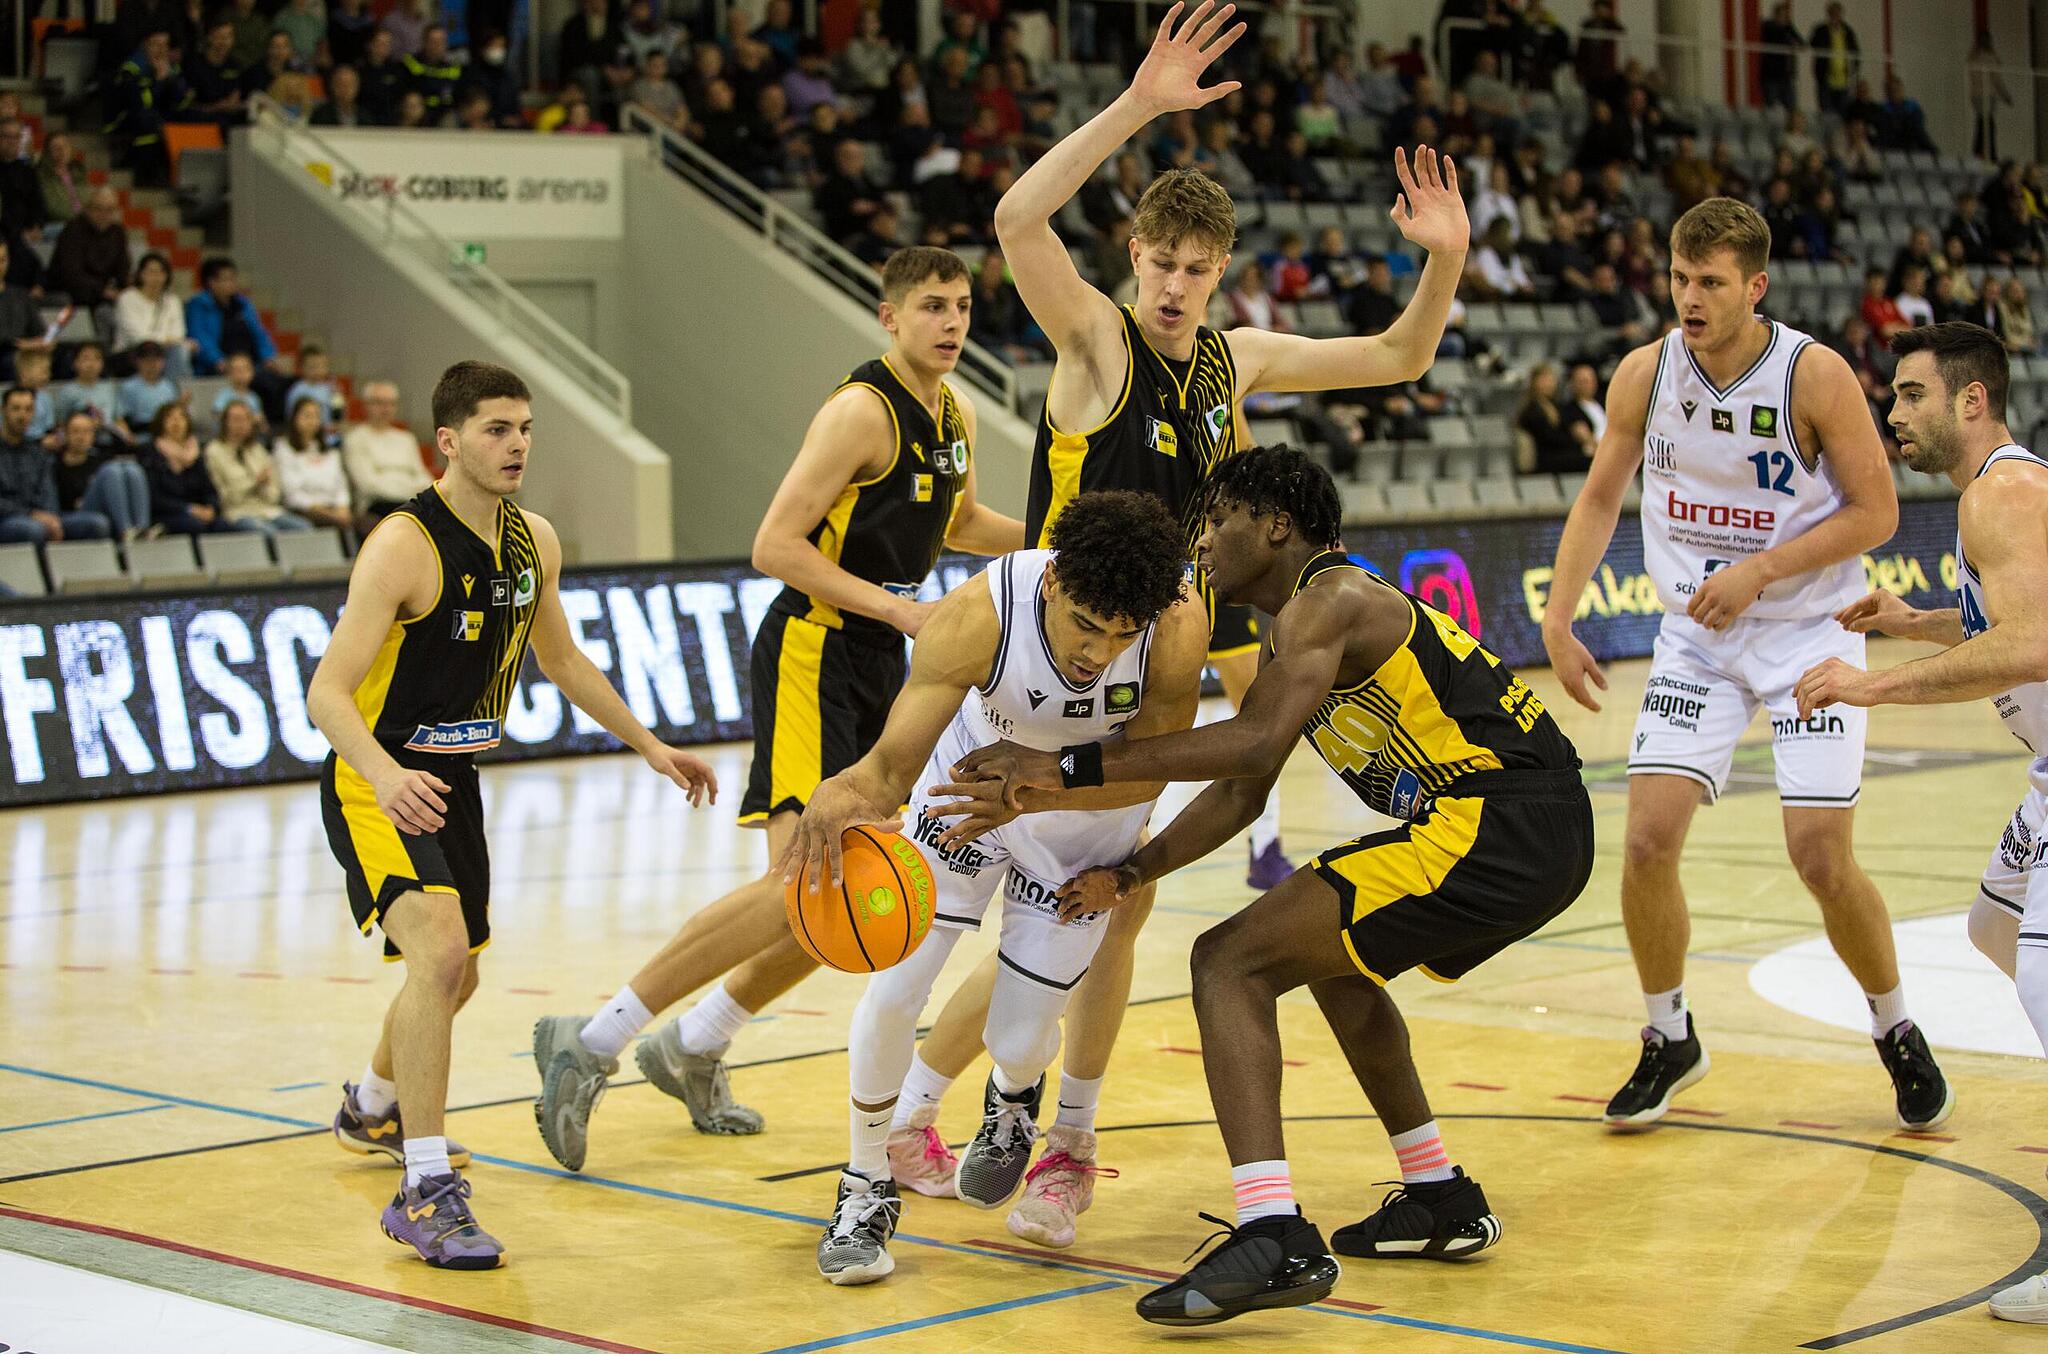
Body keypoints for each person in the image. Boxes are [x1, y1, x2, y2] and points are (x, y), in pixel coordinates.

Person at [840, 0, 1463, 1253]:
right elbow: (1017, 220)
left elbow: (1400, 353)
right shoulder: (1094, 340)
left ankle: (1040, 1133)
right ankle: (965, 1119)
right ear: (1133, 258)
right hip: (1032, 656)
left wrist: (1441, 255)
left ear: (1219, 274)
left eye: (1197, 270)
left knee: (1102, 911)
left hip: (1149, 678)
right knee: (1017, 919)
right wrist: (1137, 104)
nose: (1176, 287)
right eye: (1160, 265)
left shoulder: (1236, 358)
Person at [956, 446, 1592, 1322]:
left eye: (1219, 521)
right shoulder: (1297, 624)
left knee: (1228, 962)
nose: (1203, 540)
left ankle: (1272, 1235)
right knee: (1335, 966)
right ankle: (1439, 1195)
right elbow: (1246, 788)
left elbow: (1251, 747)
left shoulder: (1329, 601)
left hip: (1499, 819)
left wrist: (1061, 766)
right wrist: (1135, 870)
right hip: (1517, 824)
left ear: (1277, 525)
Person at [527, 248, 1023, 1172]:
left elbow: (954, 523)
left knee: (837, 913)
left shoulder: (949, 412)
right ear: (889, 317)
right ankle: (591, 1041)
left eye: (960, 307)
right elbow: (772, 545)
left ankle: (697, 1043)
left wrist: (1056, 531)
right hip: (814, 647)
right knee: (803, 882)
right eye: (931, 308)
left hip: (880, 662)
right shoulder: (859, 411)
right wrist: (897, 606)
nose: (951, 323)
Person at [1540, 197, 1953, 1133]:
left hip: (1810, 631)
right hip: (1698, 641)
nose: (1690, 297)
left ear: (1754, 287)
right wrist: (1561, 617)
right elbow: (1601, 498)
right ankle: (1667, 1035)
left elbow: (1877, 515)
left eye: (1711, 282)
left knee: (1818, 857)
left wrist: (1759, 571)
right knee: (1646, 842)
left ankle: (1895, 1027)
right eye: (1680, 279)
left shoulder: (1816, 375)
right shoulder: (1645, 374)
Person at [307, 361, 720, 1270]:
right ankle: (424, 1193)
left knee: (457, 979)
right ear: (448, 441)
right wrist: (379, 774)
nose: (518, 444)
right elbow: (326, 694)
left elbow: (564, 661)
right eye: (496, 428)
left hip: (456, 783)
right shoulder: (403, 543)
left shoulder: (534, 541)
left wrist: (651, 745)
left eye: (525, 427)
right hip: (378, 777)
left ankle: (370, 1107)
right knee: (441, 954)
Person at [789, 490, 1206, 1284]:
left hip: (1083, 816)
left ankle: (1014, 1098)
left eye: (1121, 635)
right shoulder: (983, 610)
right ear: (1052, 583)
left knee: (1018, 1038)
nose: (1099, 652)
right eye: (1087, 624)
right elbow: (889, 766)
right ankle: (864, 1184)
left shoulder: (1176, 627)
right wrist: (849, 787)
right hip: (966, 790)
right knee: (893, 990)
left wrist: (1039, 782)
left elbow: (1151, 765)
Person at [1790, 322, 2047, 1325]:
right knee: (1992, 929)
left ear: (1969, 401)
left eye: (1907, 396)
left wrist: (1873, 688)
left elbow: (2030, 649)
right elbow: (2000, 619)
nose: (1891, 415)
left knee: (2037, 968)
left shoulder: (2006, 492)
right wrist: (1913, 622)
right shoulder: (1992, 496)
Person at [0, 388, 113, 543]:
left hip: (42, 516)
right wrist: (32, 514)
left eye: (28, 409)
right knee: (33, 529)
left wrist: (50, 517)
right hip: (8, 518)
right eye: (16, 409)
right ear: (3, 410)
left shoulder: (38, 452)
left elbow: (48, 490)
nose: (22, 415)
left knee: (97, 524)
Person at [205, 400, 308, 535]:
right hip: (237, 512)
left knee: (304, 528)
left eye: (246, 419)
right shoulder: (214, 451)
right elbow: (223, 498)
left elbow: (275, 493)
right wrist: (254, 484)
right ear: (225, 422)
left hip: (268, 510)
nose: (241, 424)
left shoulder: (258, 451)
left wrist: (264, 487)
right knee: (269, 533)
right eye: (236, 419)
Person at [343, 380, 433, 523]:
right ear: (366, 405)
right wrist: (410, 490)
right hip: (377, 507)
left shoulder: (406, 439)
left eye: (391, 403)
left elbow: (424, 479)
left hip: (411, 504)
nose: (386, 409)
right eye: (379, 403)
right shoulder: (356, 438)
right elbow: (369, 486)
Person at [49, 188, 131, 344]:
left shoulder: (117, 232)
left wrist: (127, 291)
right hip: (73, 292)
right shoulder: (73, 230)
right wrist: (102, 291)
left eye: (109, 210)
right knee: (103, 311)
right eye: (98, 208)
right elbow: (70, 273)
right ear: (88, 208)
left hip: (104, 294)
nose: (104, 214)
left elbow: (123, 268)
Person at [53, 409, 150, 540]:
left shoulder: (99, 459)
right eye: (76, 431)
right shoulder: (56, 464)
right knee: (111, 470)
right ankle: (126, 531)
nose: (81, 437)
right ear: (65, 434)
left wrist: (105, 425)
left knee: (133, 469)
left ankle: (142, 529)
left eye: (86, 432)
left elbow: (129, 446)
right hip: (72, 514)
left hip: (103, 509)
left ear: (93, 435)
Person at [275, 395, 357, 534]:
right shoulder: (284, 449)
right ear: (295, 418)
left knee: (370, 524)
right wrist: (319, 509)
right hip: (305, 509)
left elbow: (340, 484)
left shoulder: (329, 451)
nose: (312, 421)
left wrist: (343, 506)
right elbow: (291, 492)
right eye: (307, 416)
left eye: (316, 416)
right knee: (342, 526)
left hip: (335, 508)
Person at [142, 403, 225, 535]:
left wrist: (211, 508)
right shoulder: (151, 452)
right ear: (160, 423)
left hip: (198, 511)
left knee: (222, 524)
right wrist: (190, 509)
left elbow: (209, 489)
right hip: (167, 513)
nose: (176, 422)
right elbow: (155, 497)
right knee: (194, 525)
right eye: (170, 417)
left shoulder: (195, 454)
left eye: (181, 417)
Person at [115, 253, 197, 378]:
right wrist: (166, 340)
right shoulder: (127, 298)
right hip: (132, 352)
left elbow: (178, 333)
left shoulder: (172, 301)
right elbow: (138, 336)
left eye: (161, 273)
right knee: (176, 351)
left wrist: (171, 342)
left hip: (166, 351)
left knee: (180, 351)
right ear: (141, 274)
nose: (156, 277)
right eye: (152, 272)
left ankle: (175, 392)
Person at [1515, 361, 1593, 473]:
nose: (1549, 383)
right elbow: (1550, 438)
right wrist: (1579, 447)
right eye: (1544, 380)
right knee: (1588, 460)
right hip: (1545, 457)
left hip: (1561, 453)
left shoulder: (1556, 405)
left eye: (1550, 379)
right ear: (1535, 383)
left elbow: (1568, 427)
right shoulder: (1532, 410)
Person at [1809, 3, 1859, 117]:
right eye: (1833, 13)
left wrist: (1855, 68)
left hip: (1843, 78)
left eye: (1837, 13)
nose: (1835, 16)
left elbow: (1855, 50)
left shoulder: (1847, 30)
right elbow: (1813, 44)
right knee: (1826, 111)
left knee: (1842, 111)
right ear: (1828, 14)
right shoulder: (1821, 29)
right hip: (1825, 77)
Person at [118, 341, 182, 429]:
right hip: (140, 434)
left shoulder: (169, 387)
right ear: (138, 361)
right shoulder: (129, 387)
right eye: (147, 359)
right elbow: (122, 417)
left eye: (157, 359)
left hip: (165, 434)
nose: (152, 364)